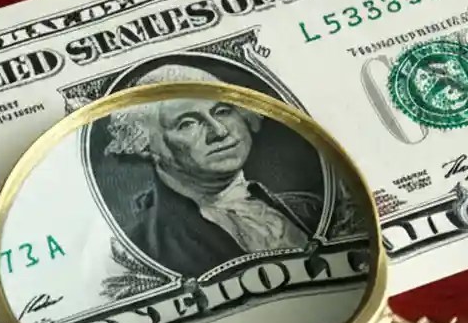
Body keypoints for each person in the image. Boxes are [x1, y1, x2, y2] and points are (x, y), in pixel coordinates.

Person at [103, 64, 320, 276]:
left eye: (223, 111)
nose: (220, 131)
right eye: (187, 123)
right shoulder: (143, 252)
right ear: (145, 144)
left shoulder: (310, 209)